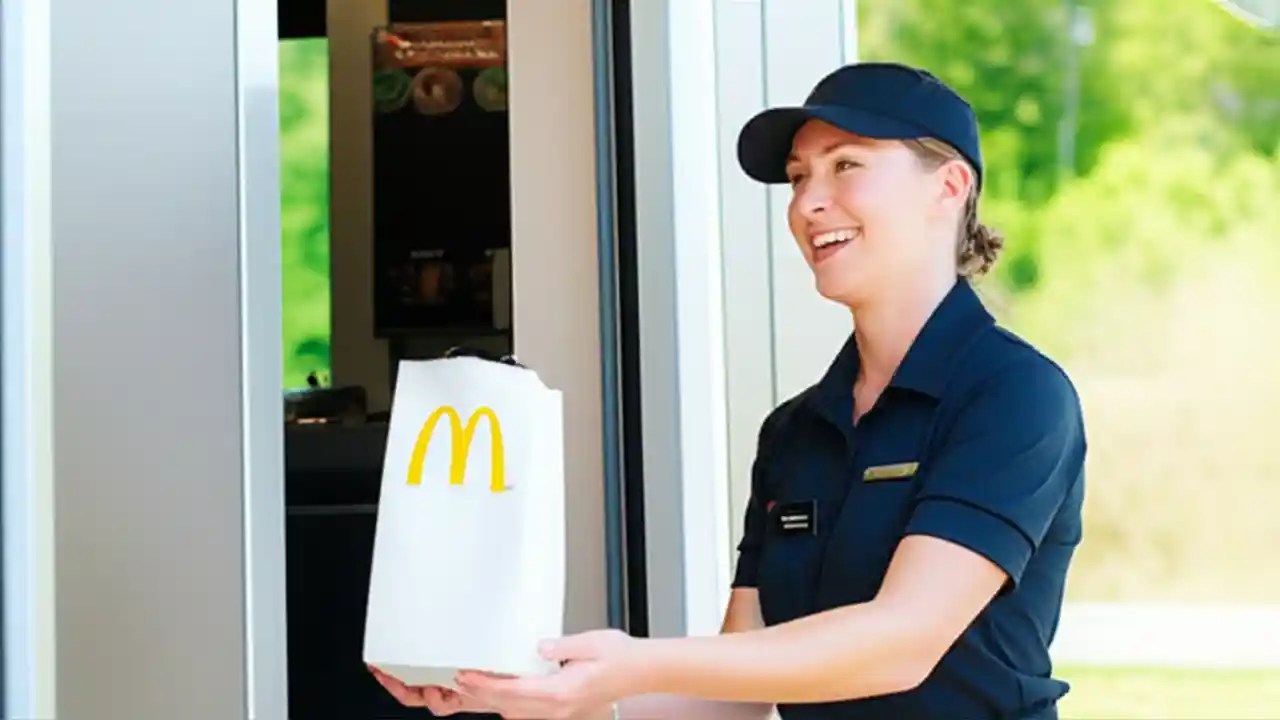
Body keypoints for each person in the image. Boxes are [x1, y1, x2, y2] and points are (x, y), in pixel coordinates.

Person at [371, 61, 1087, 720]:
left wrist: (632, 664)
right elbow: (731, 700)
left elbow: (901, 641)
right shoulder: (796, 432)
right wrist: (521, 692)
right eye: (800, 176)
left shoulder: (1015, 396)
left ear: (949, 186)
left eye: (846, 166)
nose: (810, 202)